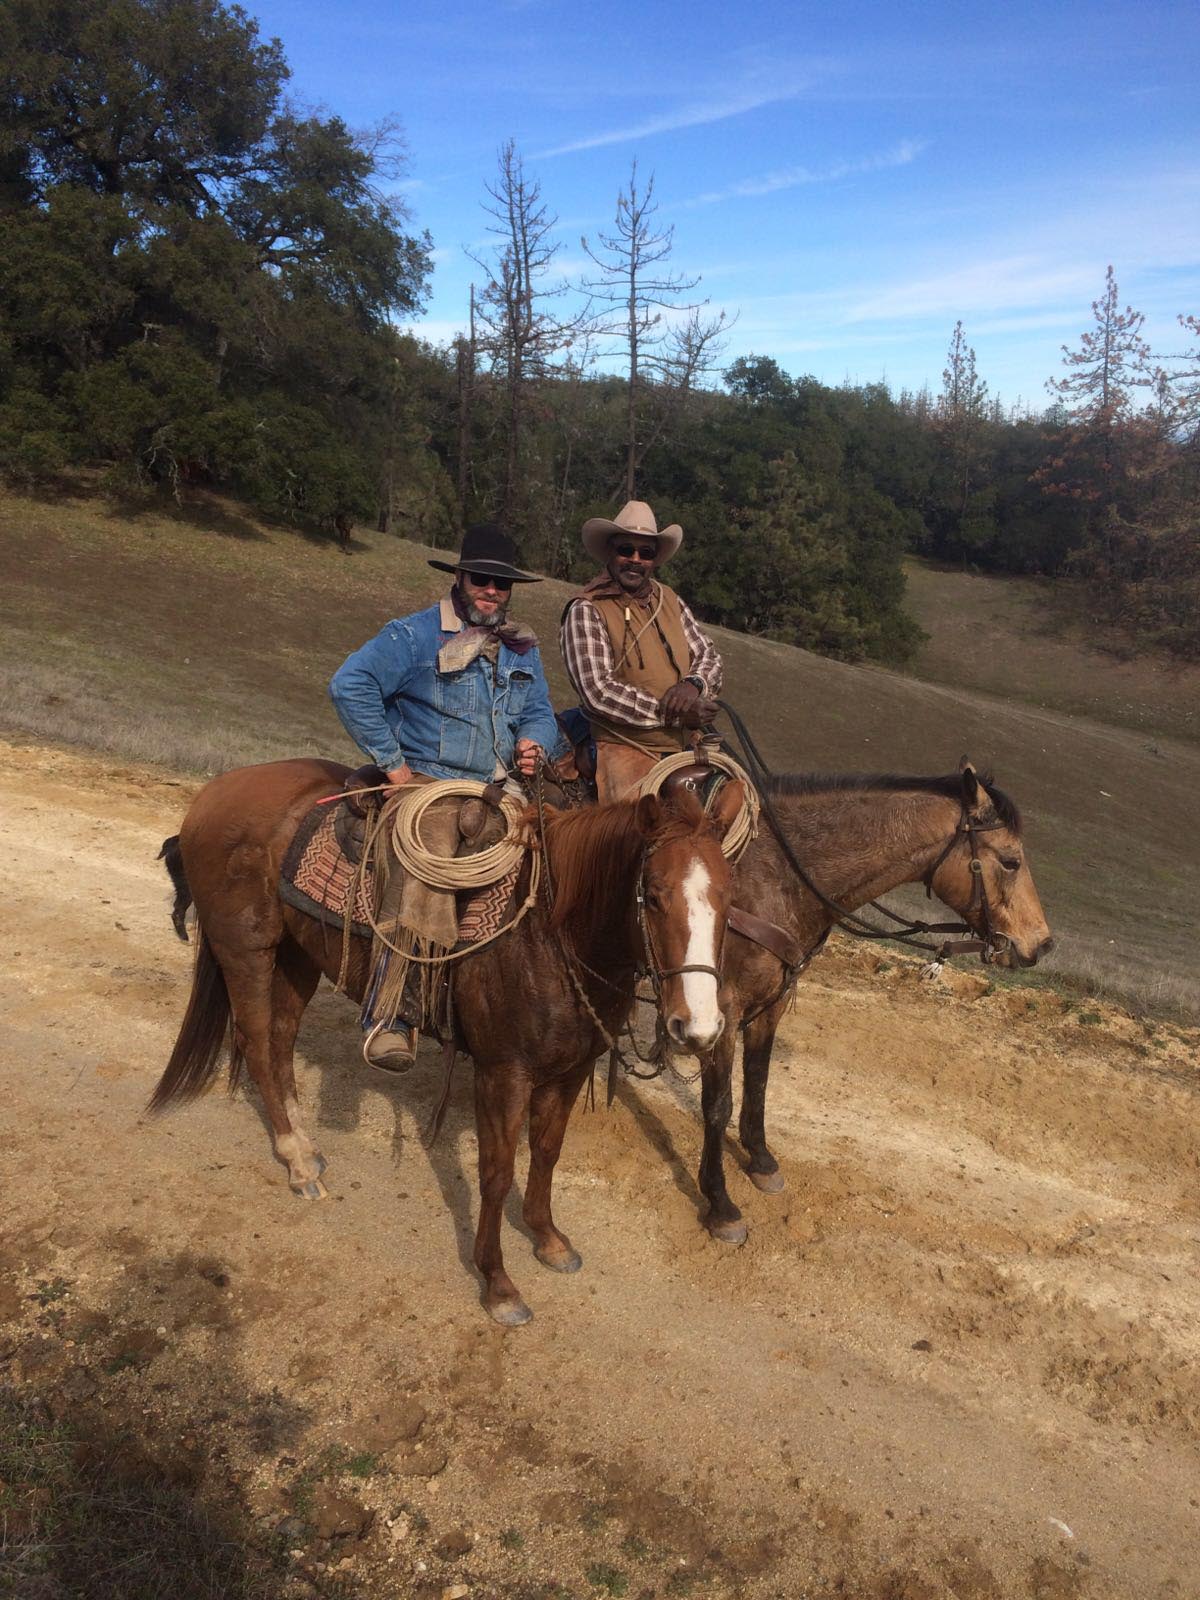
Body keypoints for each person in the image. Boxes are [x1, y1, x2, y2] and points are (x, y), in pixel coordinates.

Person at [329, 523, 559, 1069]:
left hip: (501, 790)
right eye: (482, 579)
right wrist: (394, 765)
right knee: (425, 868)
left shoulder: (522, 648)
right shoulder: (411, 637)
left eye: (503, 585)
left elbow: (540, 711)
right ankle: (393, 1015)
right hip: (431, 784)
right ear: (460, 577)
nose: (492, 591)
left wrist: (535, 742)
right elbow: (349, 684)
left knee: (556, 866)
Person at [560, 501, 724, 802]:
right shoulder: (586, 608)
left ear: (654, 559)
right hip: (625, 746)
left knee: (742, 807)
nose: (635, 560)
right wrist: (675, 714)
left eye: (645, 553)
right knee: (638, 835)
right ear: (610, 552)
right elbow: (599, 692)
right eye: (626, 550)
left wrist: (694, 685)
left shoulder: (670, 599)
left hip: (689, 743)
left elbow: (707, 655)